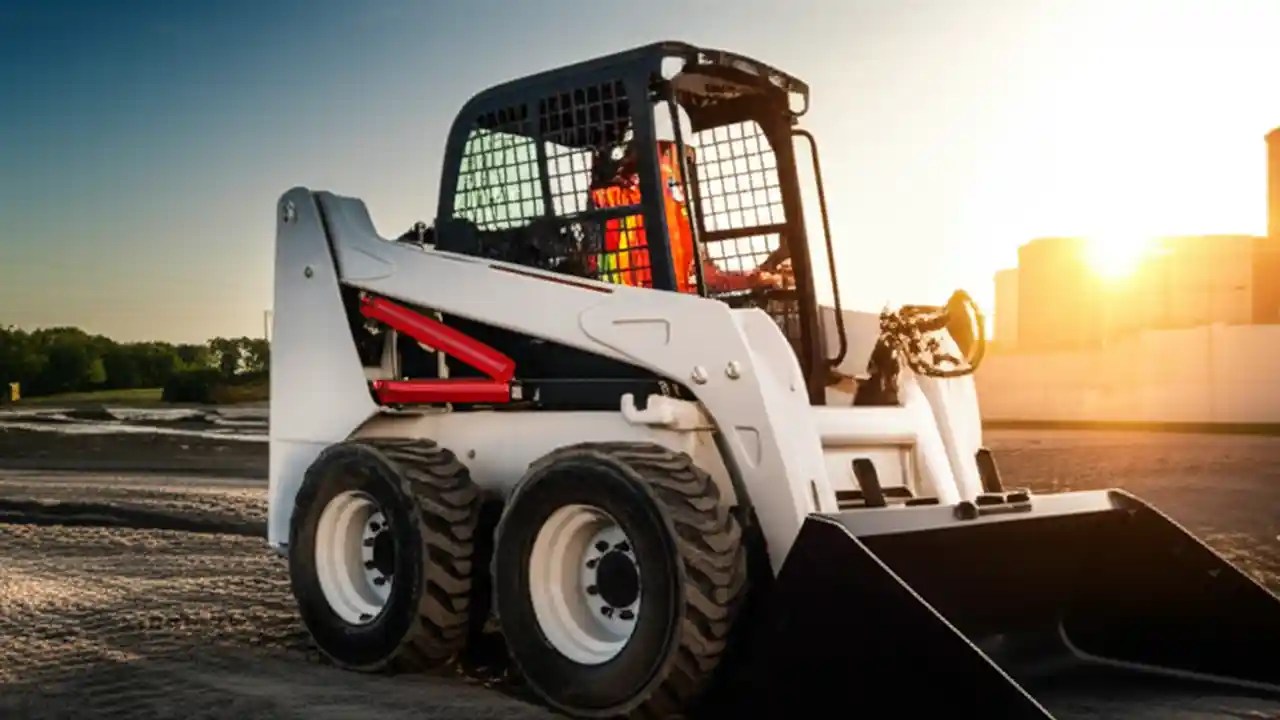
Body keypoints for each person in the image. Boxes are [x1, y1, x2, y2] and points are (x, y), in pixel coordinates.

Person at [587, 140, 786, 294]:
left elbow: (703, 276)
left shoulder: (670, 209)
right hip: (633, 309)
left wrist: (752, 279)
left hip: (639, 307)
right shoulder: (659, 203)